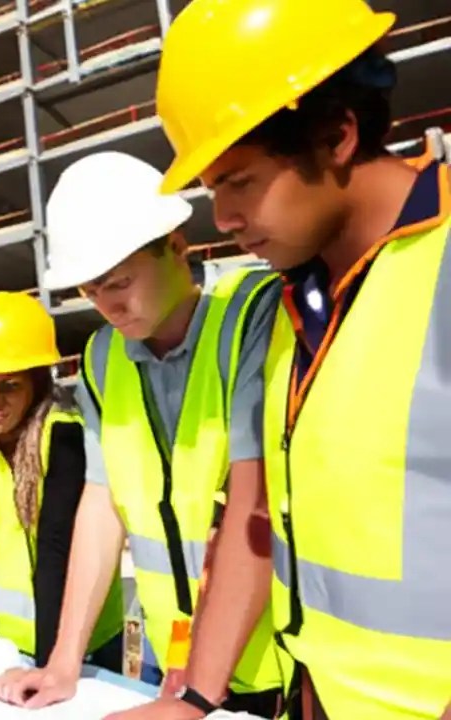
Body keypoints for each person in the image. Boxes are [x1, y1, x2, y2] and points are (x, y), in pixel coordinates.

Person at [142, 1, 451, 718]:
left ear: (336, 135)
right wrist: (193, 698)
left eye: (239, 182)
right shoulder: (293, 304)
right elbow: (260, 518)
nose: (222, 219)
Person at [0, 150, 284, 715]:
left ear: (177, 245)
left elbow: (259, 505)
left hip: (273, 661)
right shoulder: (102, 360)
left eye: (119, 282)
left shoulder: (253, 317)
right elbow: (102, 504)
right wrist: (63, 662)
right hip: (169, 659)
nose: (107, 306)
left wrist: (199, 692)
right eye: (90, 291)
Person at [0, 291, 124, 670]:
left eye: (10, 385)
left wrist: (50, 667)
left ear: (37, 383)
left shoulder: (62, 436)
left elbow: (56, 555)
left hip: (77, 645)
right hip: (0, 645)